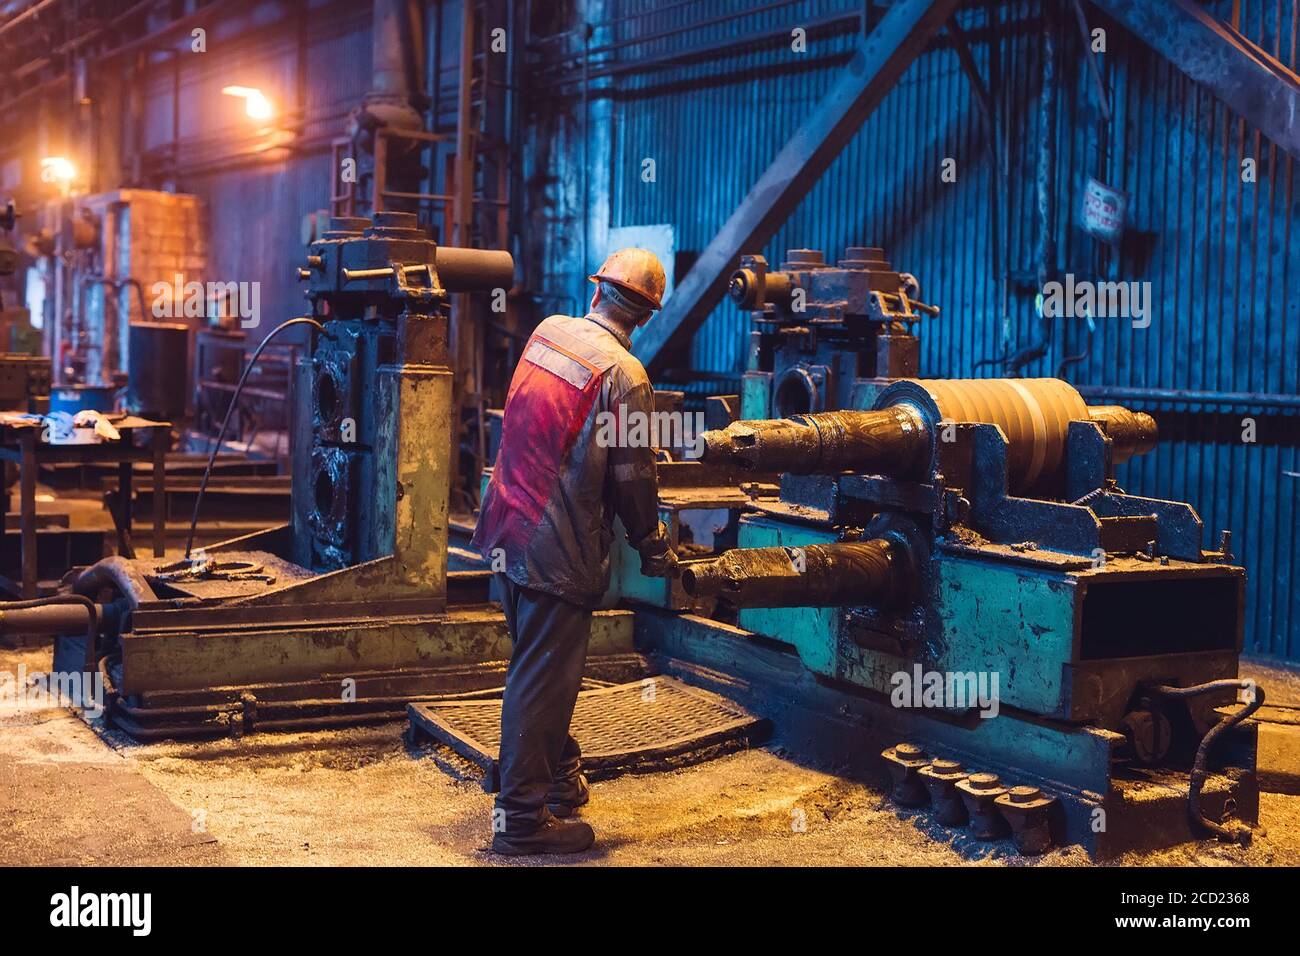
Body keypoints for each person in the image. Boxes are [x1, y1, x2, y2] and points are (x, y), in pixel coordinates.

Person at [471, 248, 679, 856]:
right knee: (543, 678)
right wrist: (650, 539)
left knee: (538, 666)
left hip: (507, 524)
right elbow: (634, 475)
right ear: (645, 316)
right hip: (556, 548)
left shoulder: (547, 333)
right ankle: (521, 819)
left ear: (597, 291)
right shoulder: (625, 375)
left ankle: (554, 775)